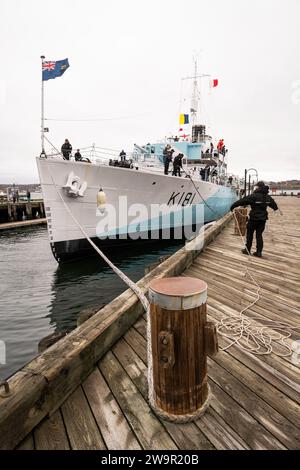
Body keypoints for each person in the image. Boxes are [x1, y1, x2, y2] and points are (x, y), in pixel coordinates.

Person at [230, 181, 278, 258]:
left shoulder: (254, 196)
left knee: (250, 234)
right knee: (259, 235)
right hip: (262, 219)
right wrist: (275, 208)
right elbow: (274, 206)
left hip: (253, 219)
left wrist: (232, 206)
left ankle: (247, 249)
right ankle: (259, 252)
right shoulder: (267, 197)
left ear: (258, 187)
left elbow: (242, 201)